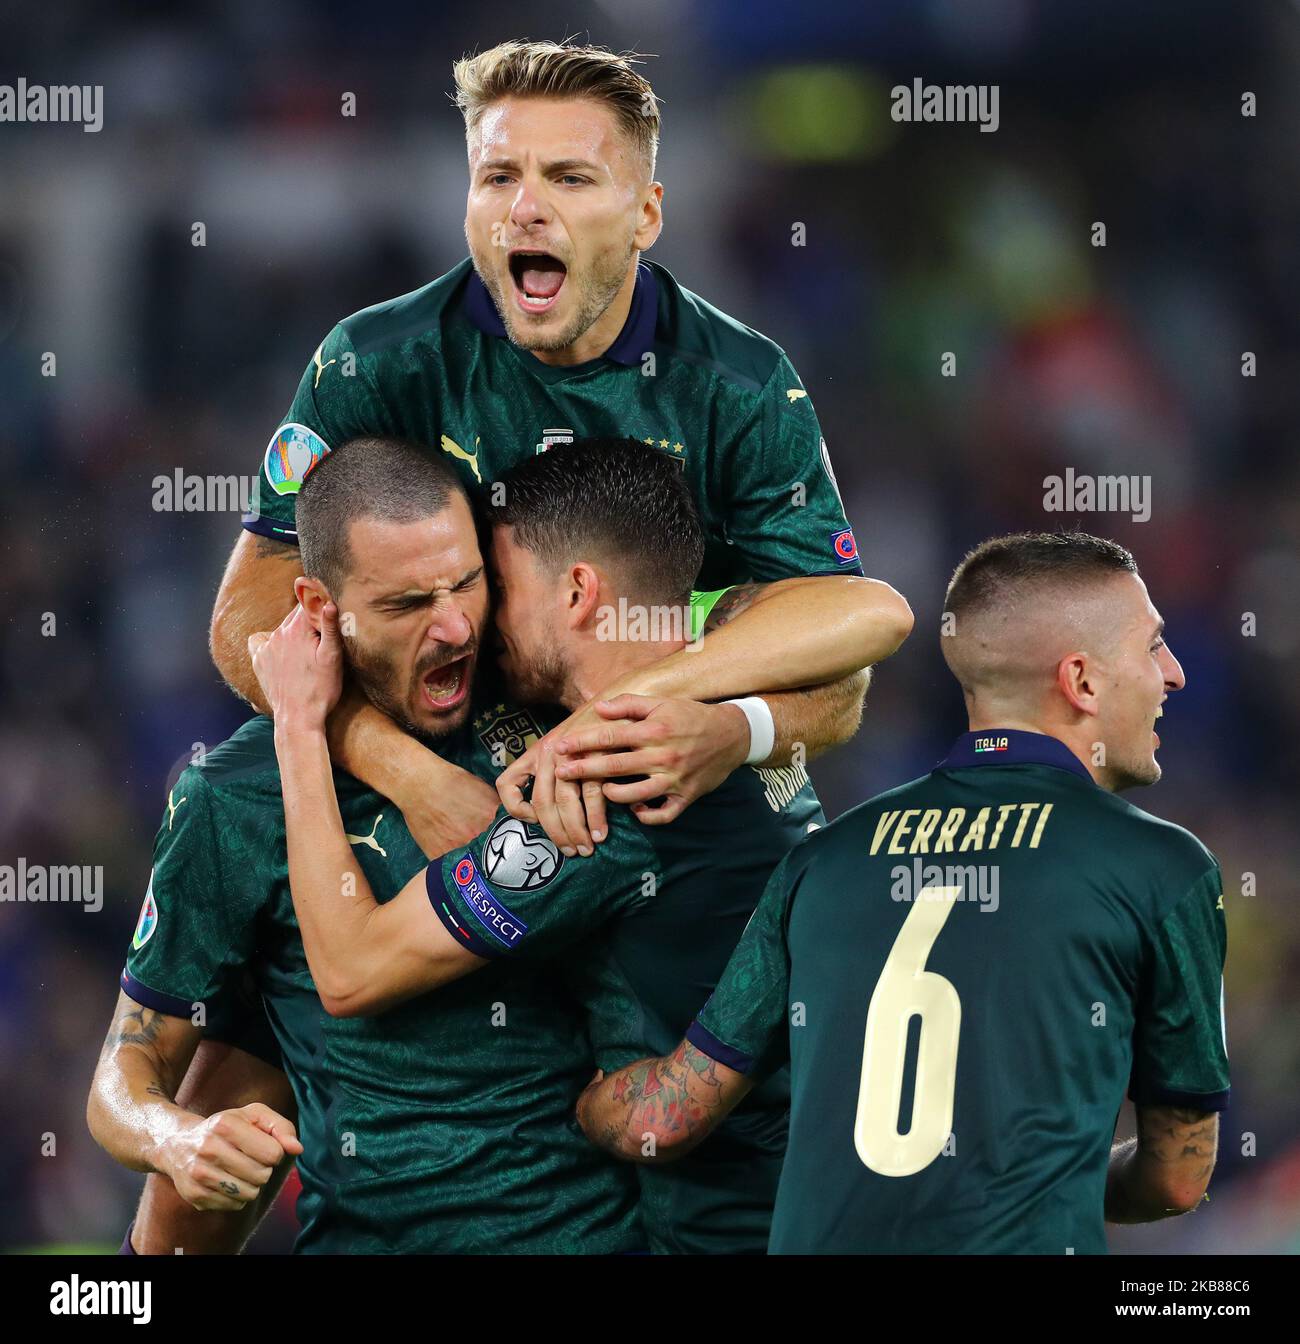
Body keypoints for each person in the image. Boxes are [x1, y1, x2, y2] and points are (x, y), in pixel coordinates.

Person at [89, 435, 908, 1252]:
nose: (453, 626)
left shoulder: (585, 739)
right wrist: (174, 1140)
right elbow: (163, 1072)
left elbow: (861, 614)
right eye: (408, 604)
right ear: (316, 608)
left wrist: (715, 721)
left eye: (474, 584)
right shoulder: (234, 800)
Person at [209, 38, 874, 861]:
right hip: (448, 757)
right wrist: (403, 770)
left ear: (647, 216)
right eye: (499, 177)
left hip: (667, 772)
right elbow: (249, 613)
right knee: (212, 794)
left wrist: (736, 731)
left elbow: (840, 673)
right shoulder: (375, 363)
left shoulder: (743, 386)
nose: (526, 208)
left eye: (569, 177)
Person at [576, 532, 1230, 1255]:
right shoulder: (1164, 869)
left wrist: (575, 1095)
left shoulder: (821, 861)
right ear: (1082, 681)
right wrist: (1030, 1180)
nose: (1173, 675)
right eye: (1152, 648)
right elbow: (1177, 1179)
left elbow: (663, 1119)